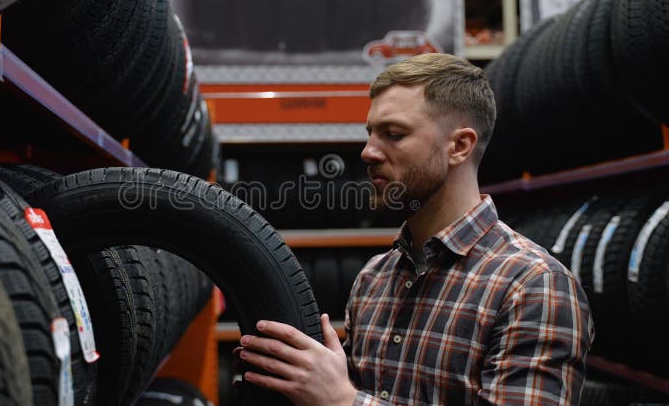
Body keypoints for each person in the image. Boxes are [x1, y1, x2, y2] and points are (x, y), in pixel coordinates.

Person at [236, 53, 594, 405]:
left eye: (394, 134)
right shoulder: (373, 279)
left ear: (459, 146)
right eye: (370, 133)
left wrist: (343, 400)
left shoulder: (533, 286)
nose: (367, 152)